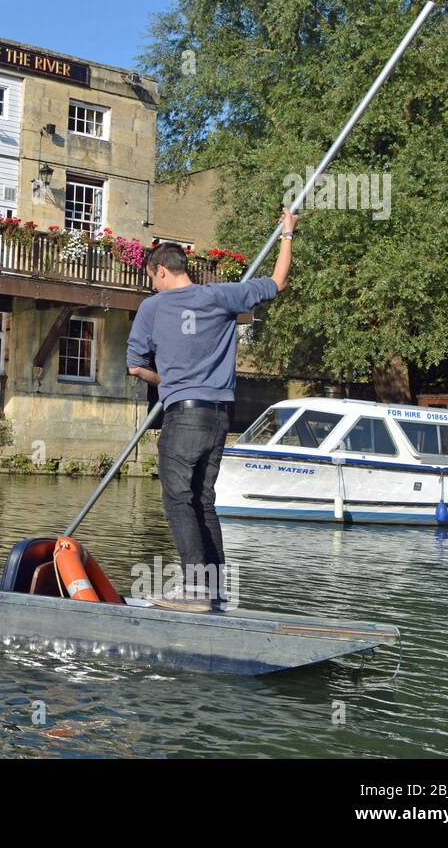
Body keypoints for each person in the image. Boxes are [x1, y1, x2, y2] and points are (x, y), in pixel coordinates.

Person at [126, 208, 297, 612]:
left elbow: (136, 365)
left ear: (160, 272)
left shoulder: (153, 308)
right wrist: (287, 234)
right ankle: (214, 589)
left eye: (152, 278)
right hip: (221, 416)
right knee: (202, 500)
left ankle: (196, 591)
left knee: (177, 500)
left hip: (183, 415)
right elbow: (277, 282)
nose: (154, 285)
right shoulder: (222, 296)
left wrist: (163, 382)